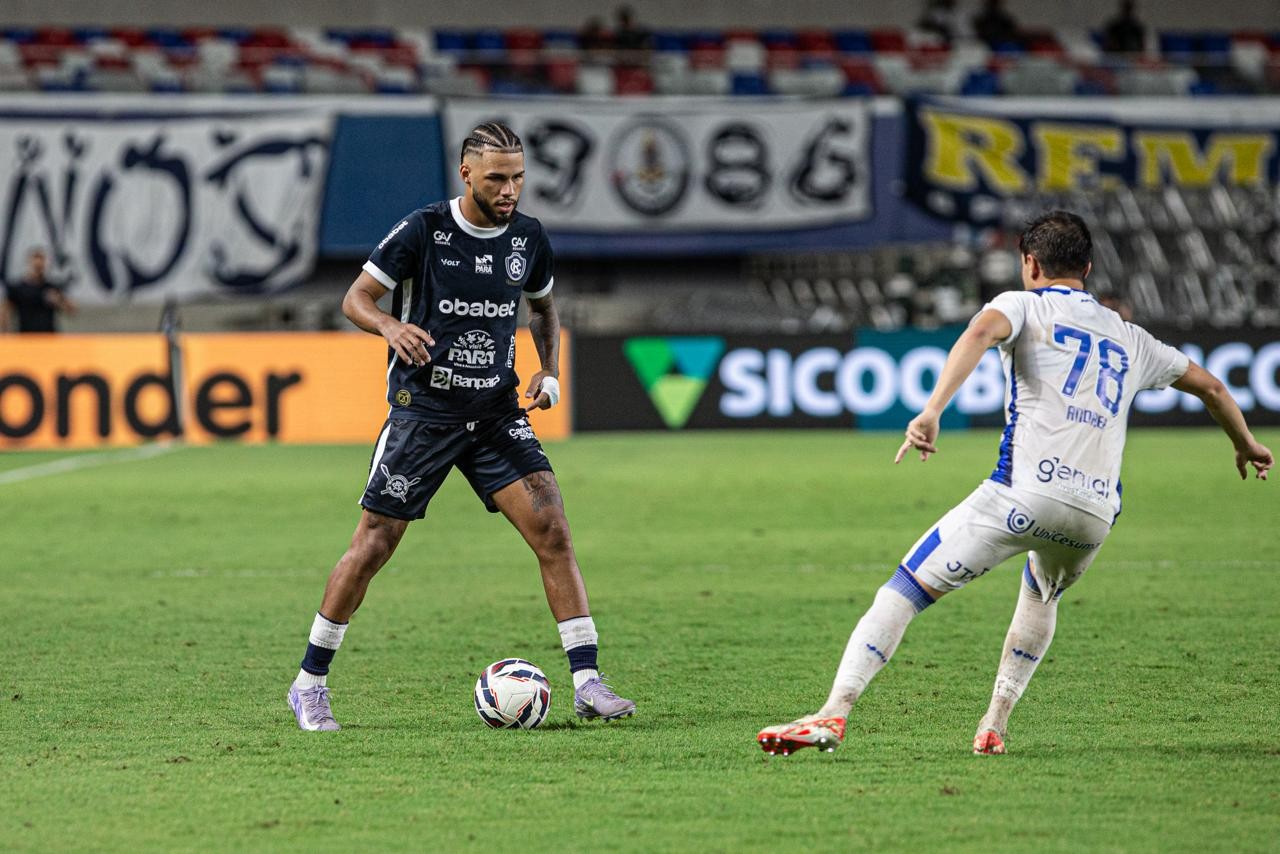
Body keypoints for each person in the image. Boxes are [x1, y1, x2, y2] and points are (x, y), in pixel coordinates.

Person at [757, 211, 1272, 756]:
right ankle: (994, 724)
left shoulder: (1022, 304)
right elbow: (1213, 387)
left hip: (1023, 495)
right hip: (1094, 516)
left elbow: (980, 331)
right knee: (1042, 591)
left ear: (1030, 263)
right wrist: (1245, 443)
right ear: (1088, 267)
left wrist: (932, 410)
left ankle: (833, 716)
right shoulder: (1133, 338)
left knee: (904, 590)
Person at [287, 121, 636, 731]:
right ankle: (310, 683)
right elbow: (356, 299)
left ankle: (587, 681)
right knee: (374, 544)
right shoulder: (424, 230)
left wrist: (549, 370)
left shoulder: (529, 238)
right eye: (497, 177)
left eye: (519, 177)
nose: (510, 189)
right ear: (466, 172)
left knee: (552, 528)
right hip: (425, 414)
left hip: (497, 413)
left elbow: (543, 306)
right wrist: (390, 328)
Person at [0, 248, 75, 333]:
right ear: (29, 264)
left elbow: (71, 310)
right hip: (26, 337)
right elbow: (5, 311)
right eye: (36, 267)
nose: (38, 269)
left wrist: (59, 300)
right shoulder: (18, 288)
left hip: (49, 337)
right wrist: (5, 334)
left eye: (41, 267)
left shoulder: (51, 287)